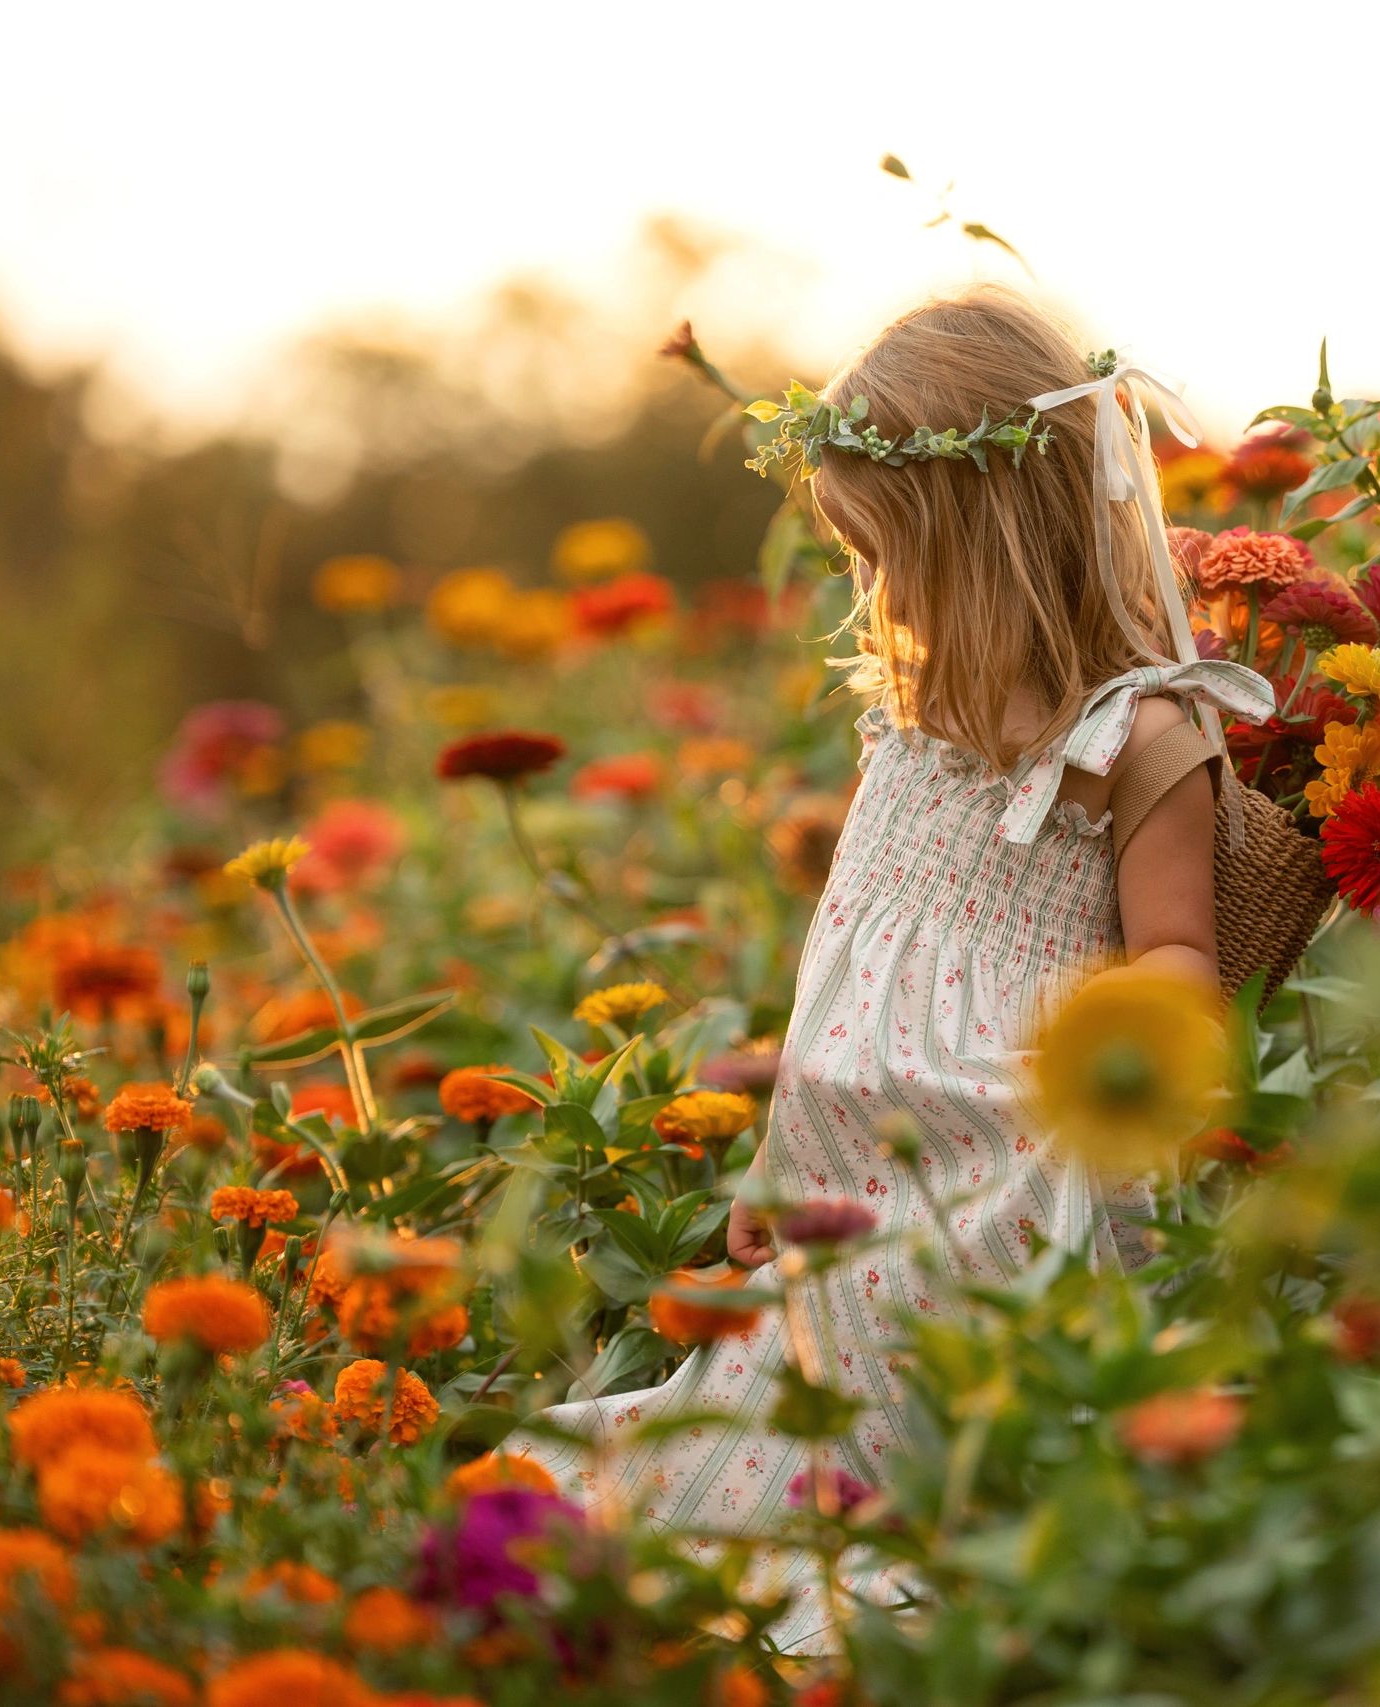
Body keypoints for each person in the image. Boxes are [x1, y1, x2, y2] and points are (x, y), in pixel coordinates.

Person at [512, 286, 1271, 1647]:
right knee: (770, 1413)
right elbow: (844, 962)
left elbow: (1175, 950)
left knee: (959, 1365)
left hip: (1018, 1150)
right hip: (858, 1165)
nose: (881, 594)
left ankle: (939, 1511)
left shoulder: (1140, 737)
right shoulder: (908, 727)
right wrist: (777, 1152)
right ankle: (823, 1488)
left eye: (894, 559)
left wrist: (1115, 1044)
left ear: (999, 545)